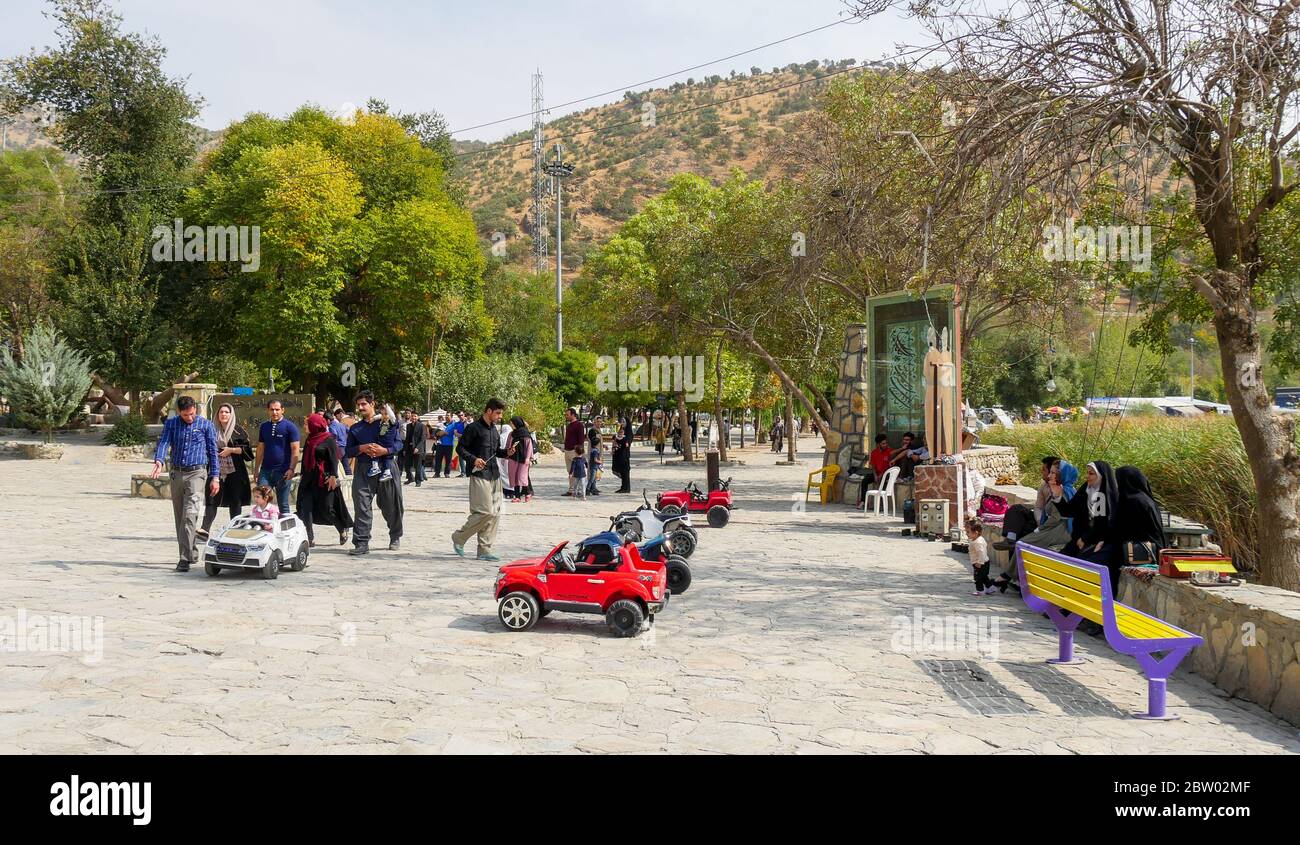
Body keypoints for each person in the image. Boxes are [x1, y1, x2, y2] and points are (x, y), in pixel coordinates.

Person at [151, 396, 220, 573]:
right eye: (184, 414)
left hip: (197, 474)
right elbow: (164, 442)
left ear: (195, 409)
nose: (188, 418)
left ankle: (184, 559)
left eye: (191, 414)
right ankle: (190, 552)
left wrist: (215, 477)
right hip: (177, 473)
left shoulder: (206, 425)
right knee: (180, 516)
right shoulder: (172, 424)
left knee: (190, 515)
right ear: (179, 412)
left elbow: (213, 452)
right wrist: (159, 460)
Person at [344, 390, 404, 555]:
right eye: (359, 405)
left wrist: (385, 450)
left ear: (372, 404)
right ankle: (361, 542)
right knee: (361, 505)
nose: (361, 407)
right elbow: (348, 451)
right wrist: (361, 448)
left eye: (364, 404)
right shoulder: (356, 428)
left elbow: (399, 445)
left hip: (387, 467)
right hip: (363, 469)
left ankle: (395, 535)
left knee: (391, 505)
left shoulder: (387, 422)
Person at [452, 398, 511, 561]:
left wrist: (507, 452)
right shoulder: (473, 428)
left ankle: (484, 550)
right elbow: (460, 448)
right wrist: (473, 459)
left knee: (495, 514)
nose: (500, 416)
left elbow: (497, 451)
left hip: (495, 475)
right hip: (479, 474)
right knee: (484, 512)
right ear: (489, 411)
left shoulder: (494, 430)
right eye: (498, 413)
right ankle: (459, 537)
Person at [297, 412, 353, 546]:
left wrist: (334, 476)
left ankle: (341, 529)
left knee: (328, 509)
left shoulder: (329, 439)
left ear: (314, 425)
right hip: (309, 480)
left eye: (307, 424)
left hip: (325, 479)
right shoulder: (310, 439)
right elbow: (306, 459)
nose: (305, 427)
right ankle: (309, 537)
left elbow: (334, 459)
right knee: (306, 508)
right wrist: (302, 475)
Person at [200, 403, 253, 538]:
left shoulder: (238, 431)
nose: (224, 414)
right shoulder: (211, 429)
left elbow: (247, 451)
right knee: (212, 498)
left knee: (235, 501)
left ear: (231, 414)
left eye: (226, 412)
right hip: (215, 470)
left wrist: (231, 450)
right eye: (221, 412)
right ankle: (204, 530)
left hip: (235, 472)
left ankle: (236, 531)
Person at [255, 399, 300, 515]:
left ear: (283, 410)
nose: (274, 412)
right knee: (261, 501)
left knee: (283, 504)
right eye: (272, 409)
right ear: (268, 411)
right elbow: (260, 449)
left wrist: (291, 469)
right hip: (265, 471)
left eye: (277, 409)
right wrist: (256, 469)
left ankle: (285, 531)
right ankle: (263, 527)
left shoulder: (290, 427)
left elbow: (295, 450)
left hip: (283, 472)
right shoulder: (264, 427)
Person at [1114, 465, 1167, 563]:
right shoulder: (1146, 499)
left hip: (1141, 554)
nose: (1116, 485)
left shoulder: (1132, 501)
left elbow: (1121, 531)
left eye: (1117, 480)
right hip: (1156, 551)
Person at [854, 434, 894, 508]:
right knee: (865, 481)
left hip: (886, 473)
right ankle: (863, 501)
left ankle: (881, 505)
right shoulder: (874, 453)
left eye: (886, 443)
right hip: (877, 473)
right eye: (883, 444)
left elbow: (887, 466)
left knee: (882, 480)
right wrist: (875, 476)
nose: (885, 445)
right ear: (878, 444)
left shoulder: (889, 451)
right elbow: (873, 466)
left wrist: (881, 475)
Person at [506, 416, 534, 502]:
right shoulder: (511, 434)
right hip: (513, 457)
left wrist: (528, 458)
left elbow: (529, 447)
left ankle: (528, 493)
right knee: (514, 476)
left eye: (512, 423)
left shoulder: (525, 434)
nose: (511, 425)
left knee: (522, 476)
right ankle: (517, 496)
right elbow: (508, 445)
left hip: (523, 458)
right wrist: (507, 452)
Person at [967, 519, 997, 595]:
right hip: (984, 562)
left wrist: (980, 562)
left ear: (976, 533)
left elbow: (981, 553)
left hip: (980, 563)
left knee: (978, 578)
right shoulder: (978, 539)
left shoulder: (977, 542)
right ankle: (990, 588)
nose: (967, 534)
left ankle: (980, 590)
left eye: (968, 532)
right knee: (984, 577)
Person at [562, 408, 584, 496]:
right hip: (567, 451)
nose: (566, 416)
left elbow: (581, 439)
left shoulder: (579, 425)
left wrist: (579, 452)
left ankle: (577, 490)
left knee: (576, 471)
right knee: (570, 472)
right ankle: (571, 490)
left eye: (567, 414)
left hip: (574, 452)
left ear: (573, 414)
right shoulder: (569, 425)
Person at [1033, 455, 1060, 524]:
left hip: (1056, 526)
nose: (1041, 471)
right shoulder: (1043, 486)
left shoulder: (1064, 490)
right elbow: (1038, 507)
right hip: (1043, 521)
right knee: (1017, 509)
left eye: (1044, 469)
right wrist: (1040, 522)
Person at [403, 409, 427, 487]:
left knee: (417, 466)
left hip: (418, 449)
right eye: (412, 416)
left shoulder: (422, 426)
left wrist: (417, 448)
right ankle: (410, 478)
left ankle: (418, 481)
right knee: (407, 465)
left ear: (418, 417)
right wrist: (405, 449)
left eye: (415, 416)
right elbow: (407, 438)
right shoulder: (408, 426)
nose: (413, 417)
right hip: (409, 448)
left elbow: (423, 438)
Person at [435, 412, 462, 478]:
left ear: (451, 416)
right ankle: (437, 473)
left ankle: (447, 473)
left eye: (448, 415)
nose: (446, 416)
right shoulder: (442, 424)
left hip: (449, 445)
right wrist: (440, 433)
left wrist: (443, 433)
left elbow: (450, 433)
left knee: (448, 460)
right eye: (446, 415)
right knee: (438, 460)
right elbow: (436, 433)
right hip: (440, 444)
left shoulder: (454, 424)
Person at [611, 416, 632, 493]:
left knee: (625, 472)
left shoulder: (629, 432)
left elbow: (627, 443)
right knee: (622, 472)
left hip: (624, 455)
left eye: (624, 422)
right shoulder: (622, 430)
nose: (622, 423)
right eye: (621, 421)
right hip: (619, 454)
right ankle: (623, 487)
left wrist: (620, 440)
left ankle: (626, 488)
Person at [329, 407, 352, 476]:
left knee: (337, 467)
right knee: (347, 467)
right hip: (345, 446)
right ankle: (349, 481)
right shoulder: (342, 425)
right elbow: (350, 432)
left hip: (338, 447)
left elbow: (334, 436)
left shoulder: (332, 426)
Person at [586, 416, 603, 496]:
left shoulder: (598, 430)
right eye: (597, 421)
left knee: (596, 472)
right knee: (592, 472)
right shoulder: (592, 431)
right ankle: (590, 488)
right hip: (594, 454)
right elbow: (594, 442)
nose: (599, 423)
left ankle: (594, 487)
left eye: (600, 422)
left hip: (598, 452)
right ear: (594, 422)